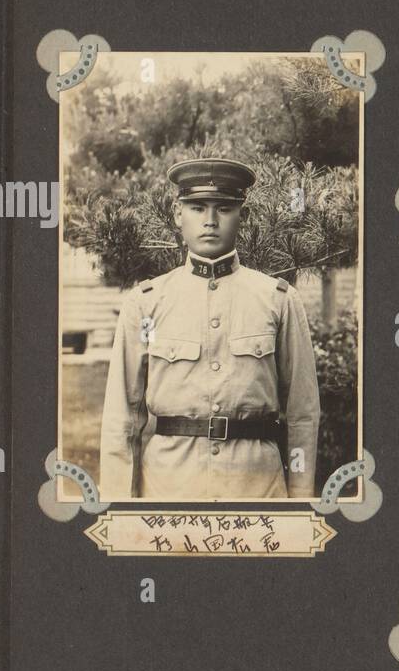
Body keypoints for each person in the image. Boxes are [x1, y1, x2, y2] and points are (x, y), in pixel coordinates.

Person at [98, 156, 320, 500]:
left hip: (257, 490)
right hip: (169, 488)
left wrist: (301, 496)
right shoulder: (146, 305)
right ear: (177, 214)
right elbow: (123, 416)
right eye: (198, 208)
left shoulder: (277, 300)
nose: (211, 221)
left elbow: (302, 415)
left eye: (225, 209)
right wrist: (118, 504)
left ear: (242, 217)